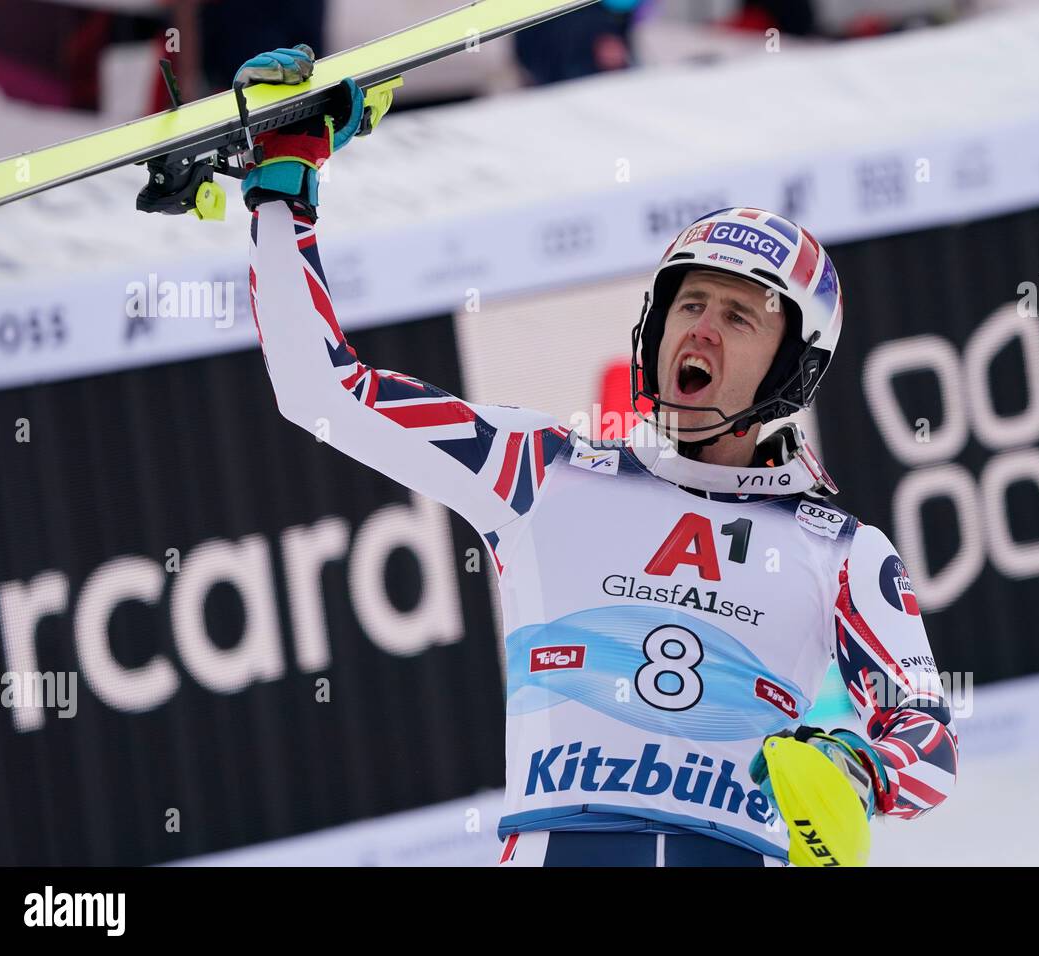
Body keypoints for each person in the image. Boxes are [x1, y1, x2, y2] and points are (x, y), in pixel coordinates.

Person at [236, 47, 957, 866]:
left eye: (740, 316)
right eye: (689, 302)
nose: (702, 330)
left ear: (795, 370)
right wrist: (282, 192)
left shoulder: (842, 549)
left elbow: (927, 737)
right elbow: (319, 389)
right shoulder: (540, 471)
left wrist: (854, 766)